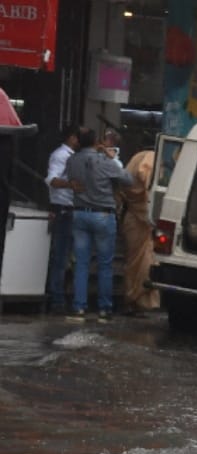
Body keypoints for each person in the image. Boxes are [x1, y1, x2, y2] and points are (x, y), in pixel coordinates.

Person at [63, 128, 133, 321]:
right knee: (104, 265)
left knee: (82, 263)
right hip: (103, 214)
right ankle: (104, 308)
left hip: (79, 213)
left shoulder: (72, 160)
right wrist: (111, 158)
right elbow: (128, 179)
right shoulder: (104, 161)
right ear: (96, 142)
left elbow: (71, 179)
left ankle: (79, 307)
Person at [117, 140, 159, 314]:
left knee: (136, 261)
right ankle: (137, 298)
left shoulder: (135, 160)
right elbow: (146, 177)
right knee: (144, 261)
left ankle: (135, 298)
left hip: (133, 217)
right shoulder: (150, 158)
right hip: (141, 217)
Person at [44, 124, 81, 314]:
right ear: (70, 138)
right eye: (77, 137)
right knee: (60, 256)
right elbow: (51, 180)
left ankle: (63, 295)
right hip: (63, 211)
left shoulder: (74, 157)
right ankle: (56, 298)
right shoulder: (60, 156)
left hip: (72, 211)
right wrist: (70, 185)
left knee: (70, 257)